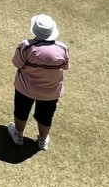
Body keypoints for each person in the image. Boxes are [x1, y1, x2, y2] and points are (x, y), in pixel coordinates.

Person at [7, 14, 70, 151]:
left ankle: (18, 135)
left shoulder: (26, 46)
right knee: (46, 115)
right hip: (51, 92)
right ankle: (42, 140)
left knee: (21, 110)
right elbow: (65, 66)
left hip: (25, 88)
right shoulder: (62, 48)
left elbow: (17, 63)